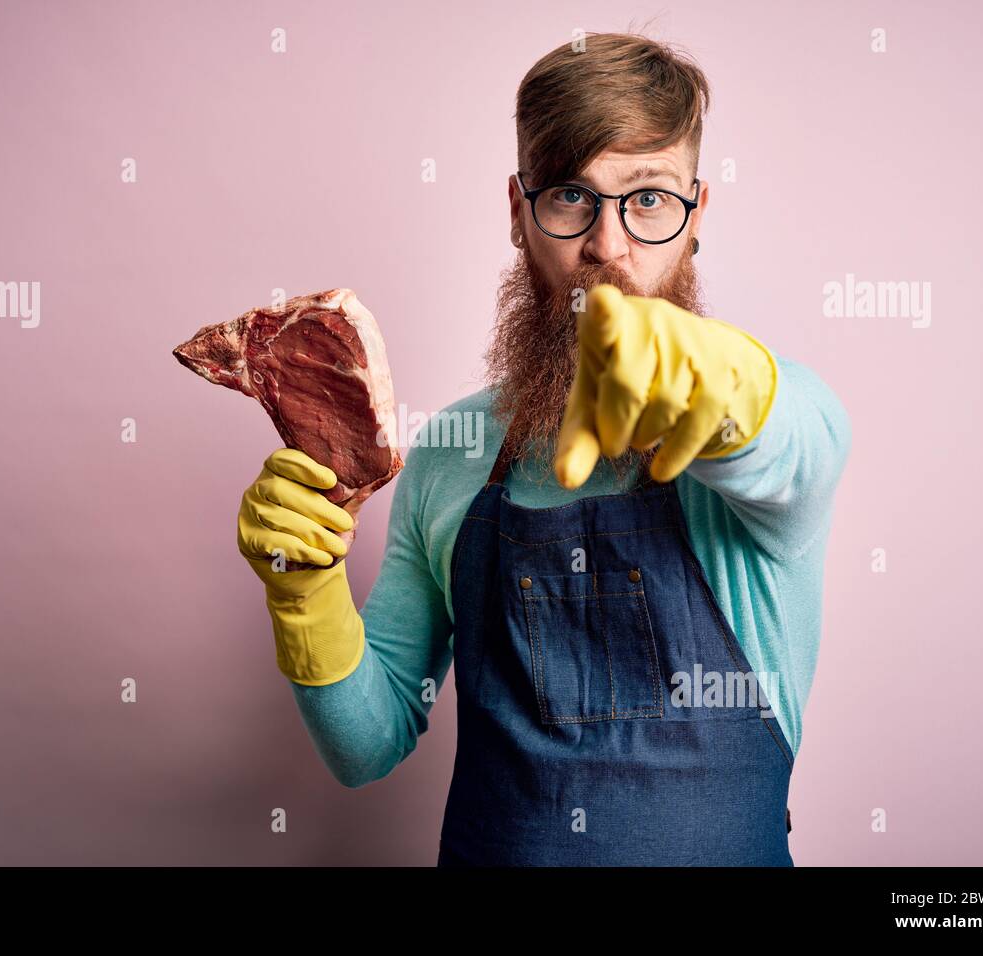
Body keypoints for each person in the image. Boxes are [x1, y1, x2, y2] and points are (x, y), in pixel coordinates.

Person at [235, 31, 852, 866]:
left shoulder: (780, 427)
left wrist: (706, 374)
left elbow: (782, 433)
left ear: (698, 214)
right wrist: (303, 594)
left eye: (649, 198)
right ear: (519, 212)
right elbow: (365, 746)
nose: (607, 246)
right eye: (571, 197)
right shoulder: (452, 456)